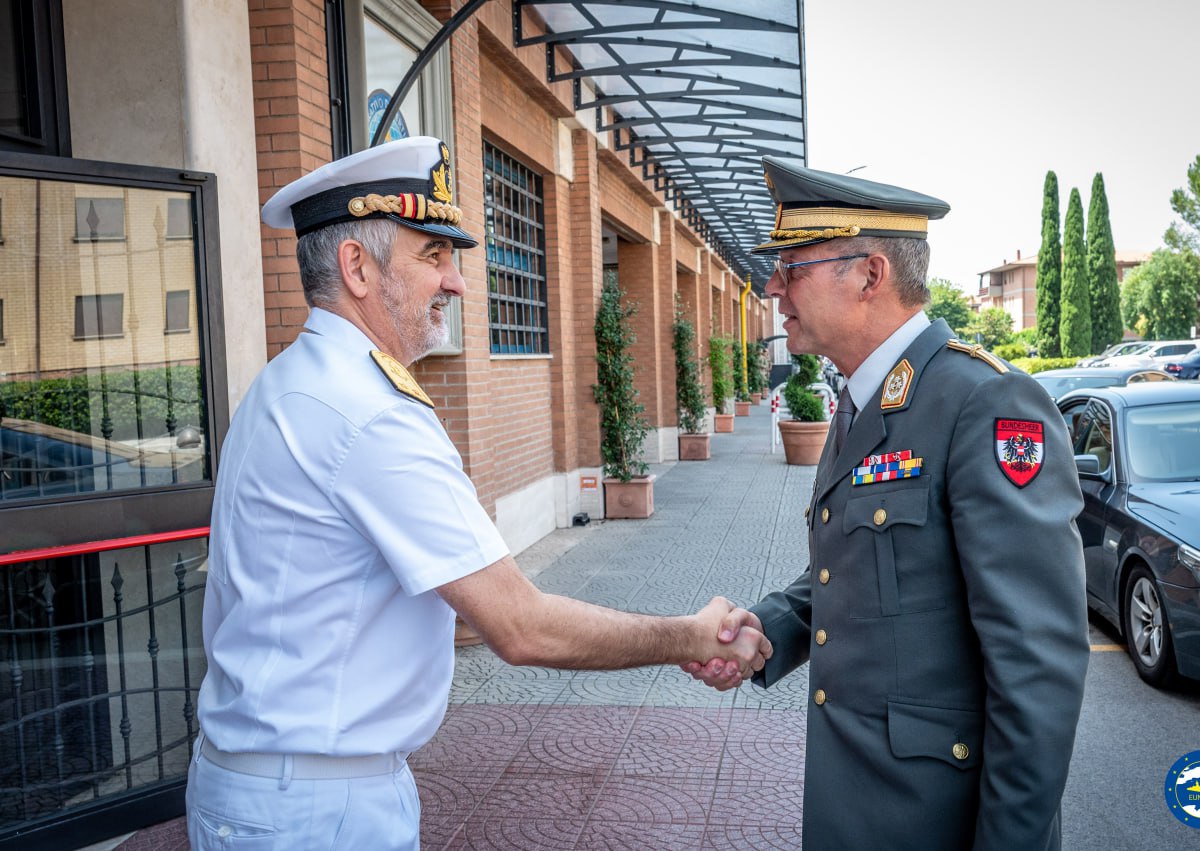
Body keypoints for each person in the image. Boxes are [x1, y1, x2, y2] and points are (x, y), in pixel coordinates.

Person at [186, 136, 771, 850]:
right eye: (433, 255)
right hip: (315, 809)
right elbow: (520, 625)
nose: (457, 282)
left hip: (273, 786)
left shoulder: (286, 384)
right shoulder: (369, 412)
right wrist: (690, 634)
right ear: (357, 267)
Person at [685, 156, 1090, 850]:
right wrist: (767, 629)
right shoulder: (864, 398)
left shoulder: (985, 402)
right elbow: (859, 567)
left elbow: (1038, 668)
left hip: (933, 816)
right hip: (859, 801)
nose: (773, 287)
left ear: (870, 275)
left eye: (792, 267)